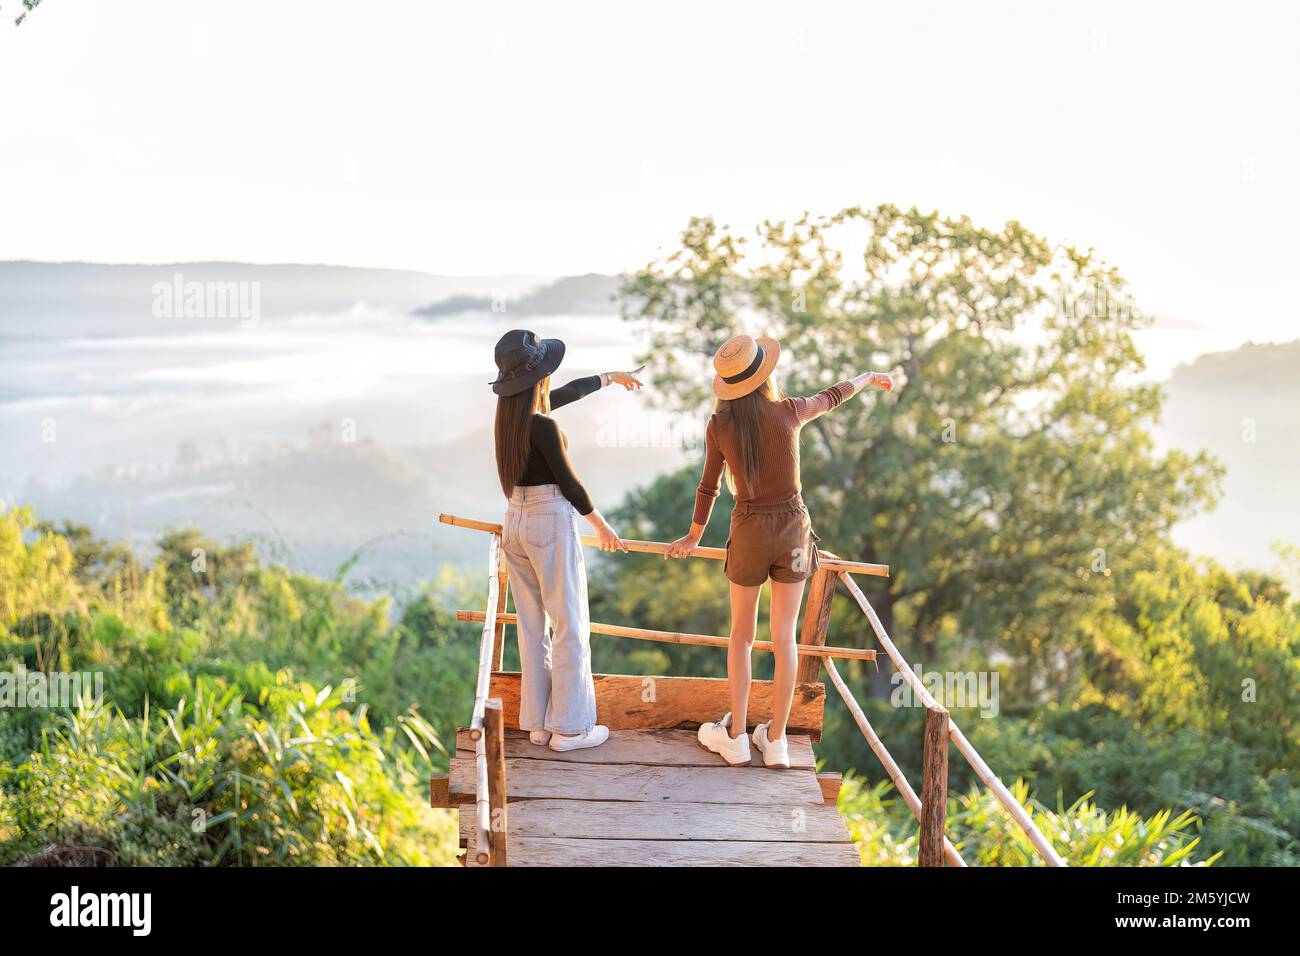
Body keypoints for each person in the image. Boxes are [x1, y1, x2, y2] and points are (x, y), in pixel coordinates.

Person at [666, 333, 894, 766]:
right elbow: (833, 396)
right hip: (792, 529)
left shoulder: (720, 426)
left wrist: (694, 537)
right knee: (785, 638)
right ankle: (777, 739)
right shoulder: (790, 412)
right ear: (764, 375)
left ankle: (734, 737)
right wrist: (867, 377)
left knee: (741, 638)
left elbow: (708, 486)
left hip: (749, 529)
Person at [490, 328, 644, 752]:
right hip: (548, 523)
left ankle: (537, 724)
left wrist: (611, 377)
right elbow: (570, 484)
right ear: (538, 378)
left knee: (532, 627)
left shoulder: (509, 416)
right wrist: (601, 525)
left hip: (514, 523)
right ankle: (571, 729)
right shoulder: (544, 427)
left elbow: (570, 392)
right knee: (570, 626)